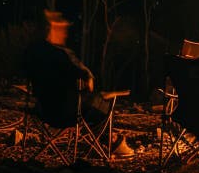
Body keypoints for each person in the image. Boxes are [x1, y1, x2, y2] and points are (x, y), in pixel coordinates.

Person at [25, 10, 132, 156]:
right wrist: (89, 80)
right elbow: (86, 76)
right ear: (52, 30)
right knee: (103, 105)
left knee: (91, 102)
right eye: (62, 30)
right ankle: (111, 142)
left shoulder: (32, 54)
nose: (65, 34)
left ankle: (104, 140)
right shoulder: (63, 55)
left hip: (44, 112)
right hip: (66, 114)